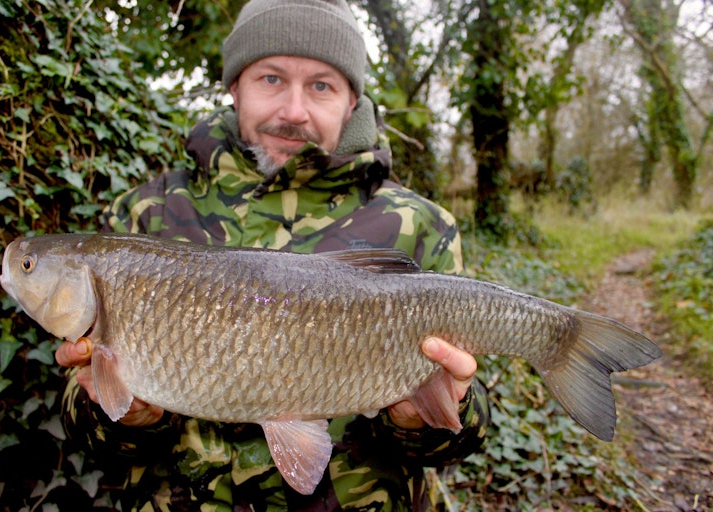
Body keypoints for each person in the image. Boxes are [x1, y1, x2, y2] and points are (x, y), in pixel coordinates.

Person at [55, 0, 491, 510]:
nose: (293, 111)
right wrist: (128, 416)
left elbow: (465, 428)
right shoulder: (144, 217)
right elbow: (85, 430)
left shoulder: (421, 226)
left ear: (353, 101)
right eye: (270, 78)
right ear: (234, 85)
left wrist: (423, 416)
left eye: (322, 85)